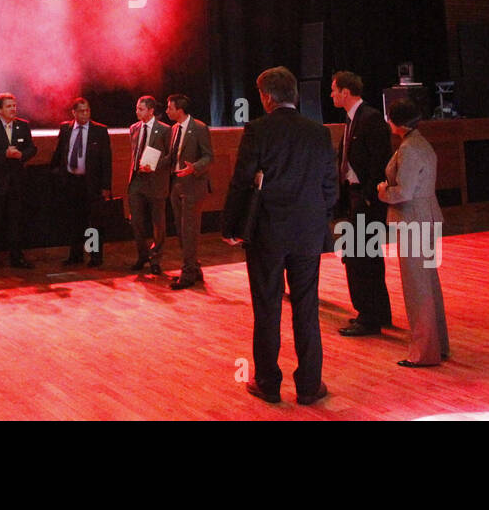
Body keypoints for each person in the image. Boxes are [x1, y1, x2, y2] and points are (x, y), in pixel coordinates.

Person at [223, 67, 336, 404]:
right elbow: (330, 187)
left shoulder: (257, 130)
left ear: (268, 97)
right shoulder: (319, 132)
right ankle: (309, 385)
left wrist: (230, 227)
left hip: (267, 233)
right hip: (307, 233)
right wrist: (319, 216)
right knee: (306, 307)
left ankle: (268, 383)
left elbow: (242, 182)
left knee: (267, 307)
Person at [376, 98, 450, 367]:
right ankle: (438, 344)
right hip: (427, 216)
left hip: (412, 220)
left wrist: (383, 192)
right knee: (429, 282)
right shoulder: (422, 143)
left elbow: (403, 192)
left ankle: (424, 352)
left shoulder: (408, 149)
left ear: (394, 121)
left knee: (417, 287)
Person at [330, 70, 393, 336]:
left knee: (362, 259)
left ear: (346, 92)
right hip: (355, 198)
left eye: (334, 90)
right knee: (363, 256)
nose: (331, 94)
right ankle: (377, 313)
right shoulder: (353, 119)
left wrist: (367, 196)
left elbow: (380, 161)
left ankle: (369, 317)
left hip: (365, 200)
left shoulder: (370, 118)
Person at [0, 92, 37, 273]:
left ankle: (17, 257)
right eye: (9, 106)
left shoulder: (23, 126)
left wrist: (22, 155)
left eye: (14, 105)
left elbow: (32, 148)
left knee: (16, 221)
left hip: (17, 181)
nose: (13, 109)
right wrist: (4, 154)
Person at [50, 97, 113, 267]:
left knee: (94, 222)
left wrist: (106, 186)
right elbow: (59, 153)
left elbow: (106, 160)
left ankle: (94, 256)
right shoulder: (66, 129)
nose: (85, 114)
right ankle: (75, 255)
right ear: (74, 113)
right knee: (75, 220)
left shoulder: (99, 131)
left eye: (87, 111)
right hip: (72, 182)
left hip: (91, 183)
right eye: (82, 111)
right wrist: (57, 173)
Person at [164, 93, 212, 290]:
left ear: (179, 110)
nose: (167, 111)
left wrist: (195, 167)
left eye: (169, 108)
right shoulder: (174, 129)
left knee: (189, 229)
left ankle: (188, 273)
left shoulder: (199, 128)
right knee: (181, 230)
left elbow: (209, 157)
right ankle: (194, 267)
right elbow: (171, 157)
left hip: (193, 185)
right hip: (176, 185)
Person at [125, 95, 171, 274]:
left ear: (151, 111)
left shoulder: (165, 130)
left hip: (156, 181)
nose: (137, 112)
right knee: (136, 221)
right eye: (137, 108)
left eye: (141, 109)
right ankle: (142, 255)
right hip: (137, 180)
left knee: (158, 222)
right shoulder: (134, 128)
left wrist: (153, 166)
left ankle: (156, 257)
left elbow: (170, 156)